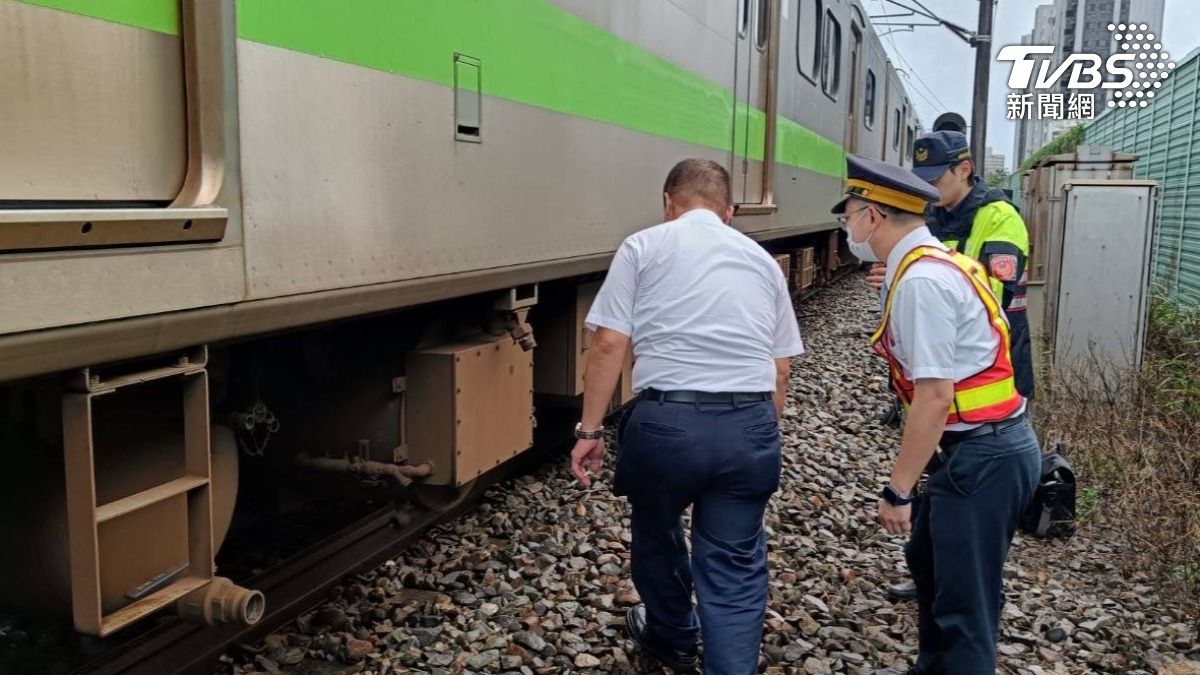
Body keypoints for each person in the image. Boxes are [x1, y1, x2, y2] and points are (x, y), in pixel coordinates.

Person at [568, 158, 804, 674]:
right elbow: (779, 368)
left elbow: (609, 343)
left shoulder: (643, 246)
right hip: (749, 422)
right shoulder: (762, 261)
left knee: (656, 531)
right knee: (735, 563)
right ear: (730, 212)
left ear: (668, 204)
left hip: (667, 425)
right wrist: (761, 434)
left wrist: (590, 430)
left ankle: (672, 634)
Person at [831, 154, 1041, 675]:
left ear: (873, 217)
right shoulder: (927, 263)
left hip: (984, 454)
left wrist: (898, 489)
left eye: (849, 215)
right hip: (977, 449)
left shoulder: (923, 281)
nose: (847, 227)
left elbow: (935, 395)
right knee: (928, 562)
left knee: (965, 604)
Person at [876, 130, 1036, 602]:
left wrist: (917, 274)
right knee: (941, 484)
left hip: (989, 369)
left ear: (964, 168)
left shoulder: (999, 216)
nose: (929, 189)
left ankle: (965, 578)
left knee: (969, 507)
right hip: (951, 372)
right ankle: (936, 572)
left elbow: (993, 289)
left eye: (937, 178)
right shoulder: (934, 213)